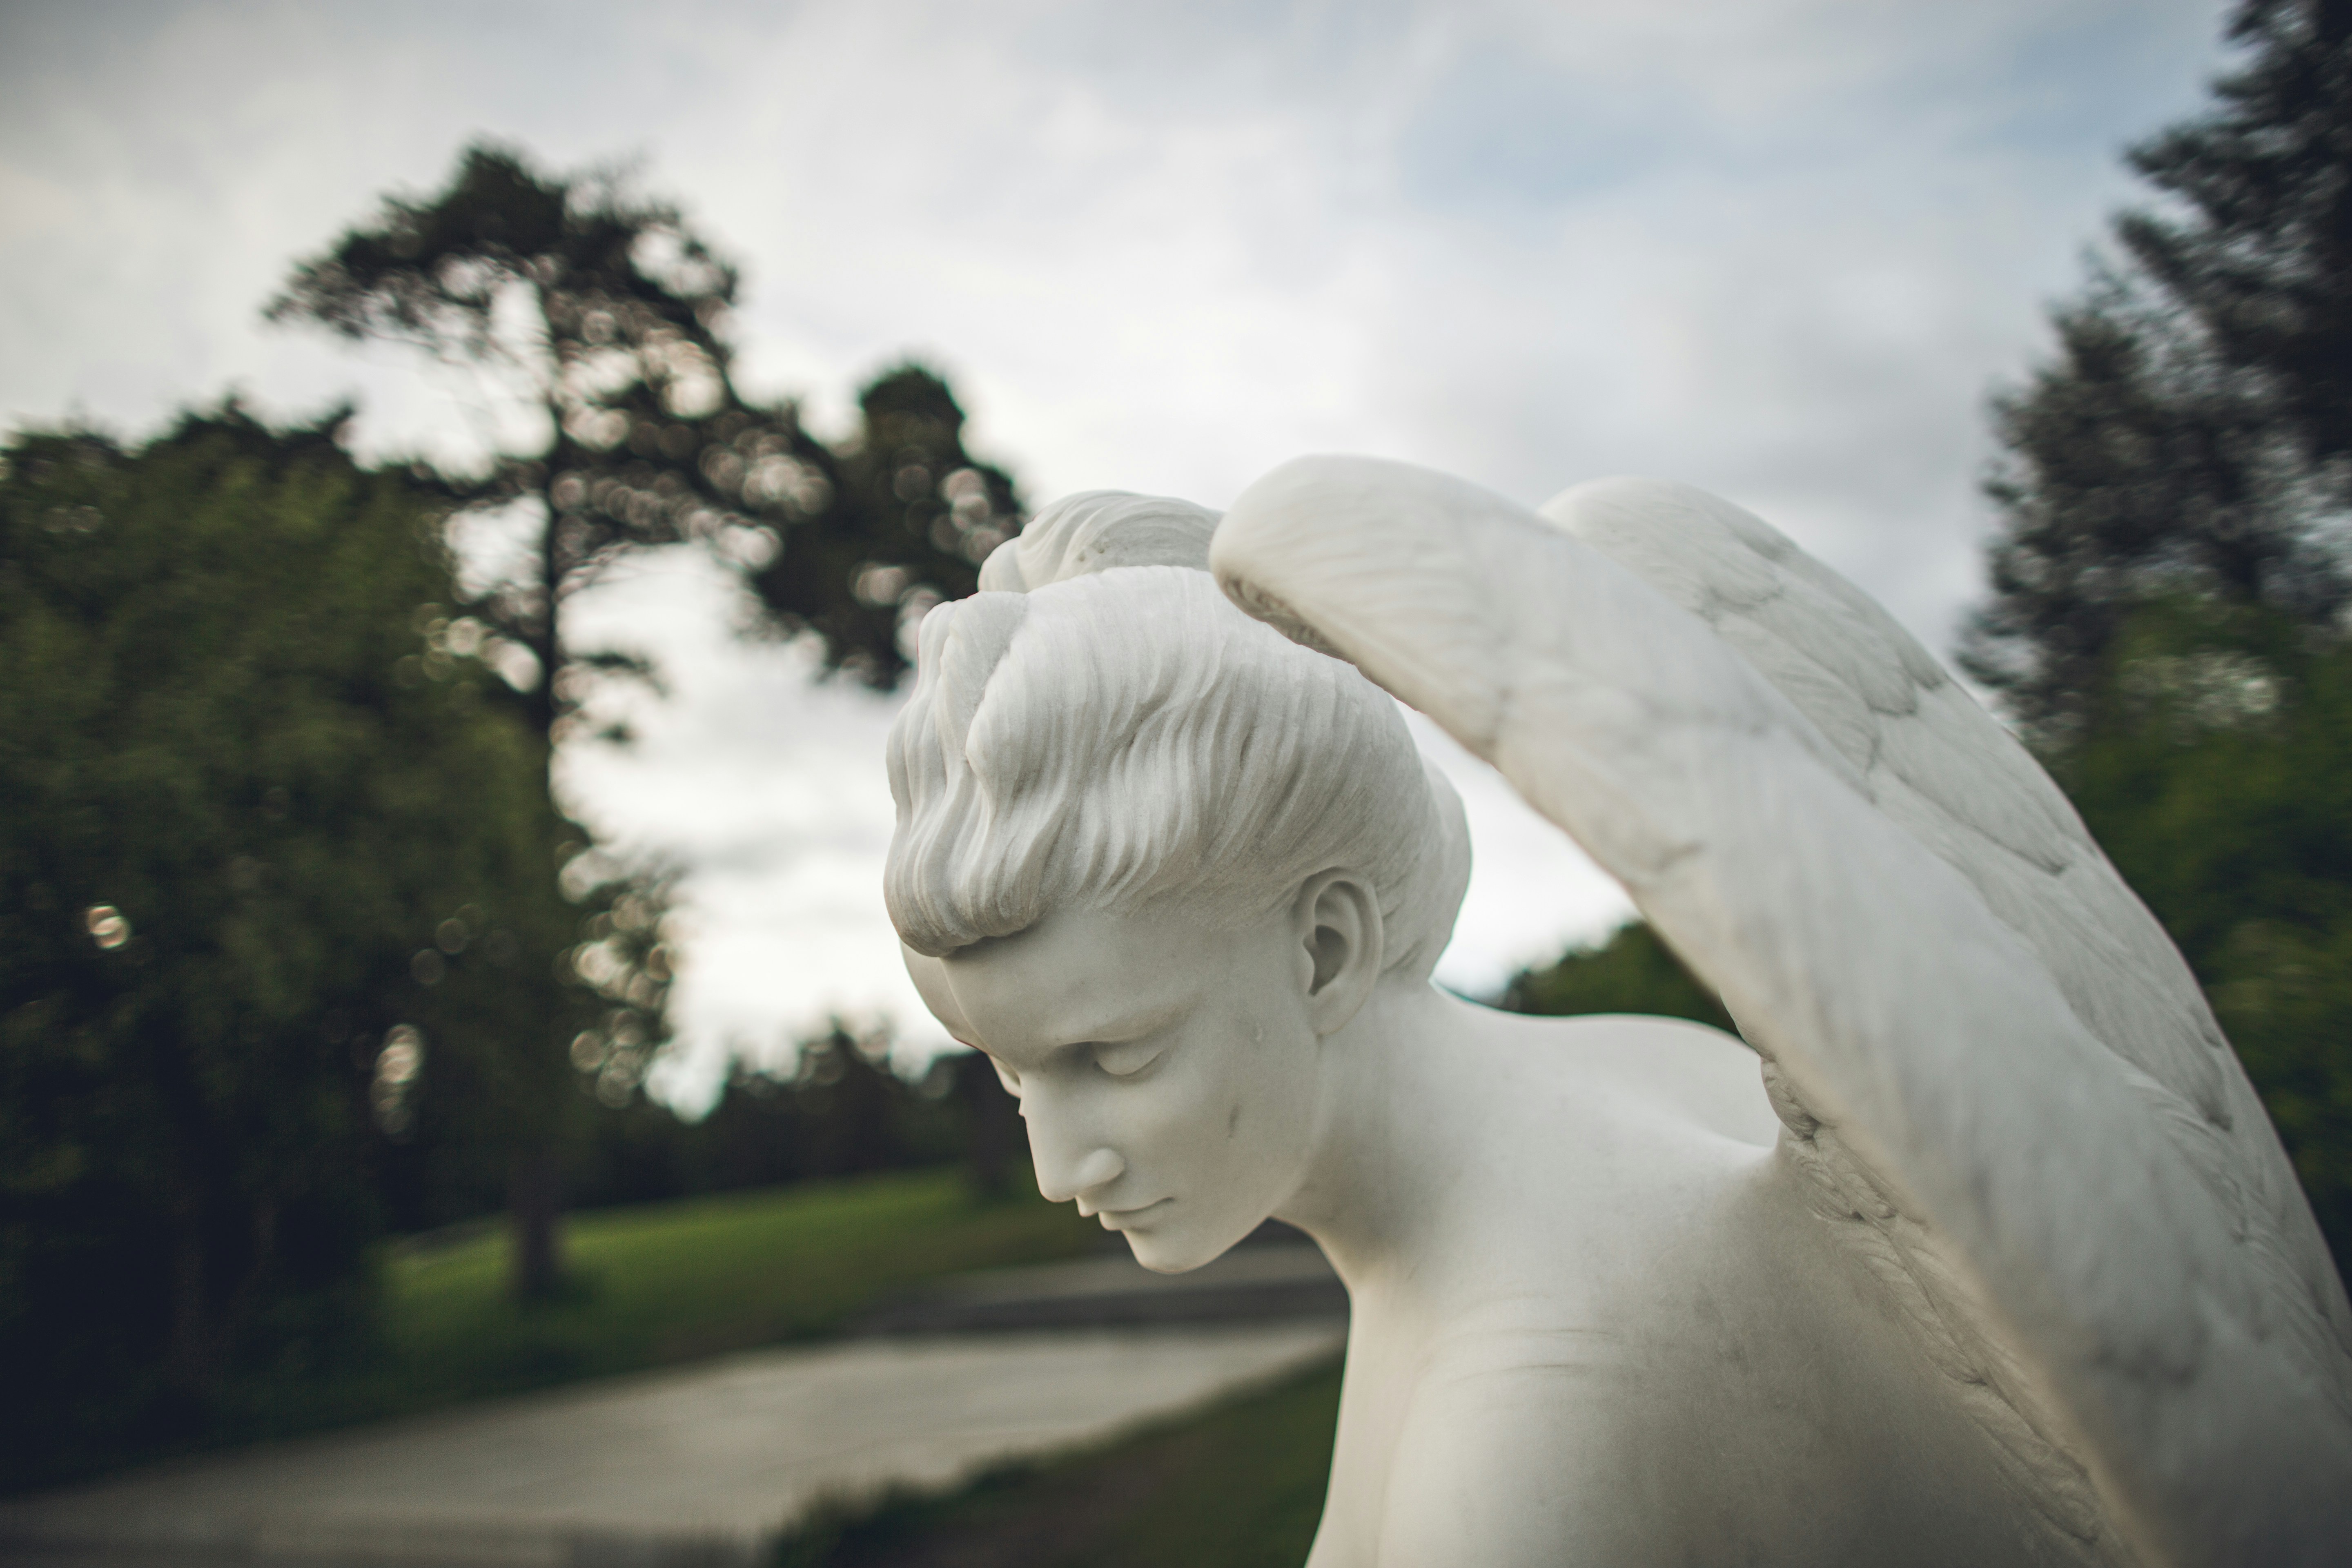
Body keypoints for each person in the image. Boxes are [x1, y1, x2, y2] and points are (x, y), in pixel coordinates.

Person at [886, 476, 2352, 1565]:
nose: (1059, 1165)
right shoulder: (1629, 1078)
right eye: (1018, 1080)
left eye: (1113, 1057)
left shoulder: (1535, 1439)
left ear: (1327, 946)